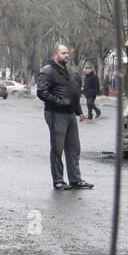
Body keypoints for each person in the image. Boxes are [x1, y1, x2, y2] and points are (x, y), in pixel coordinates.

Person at [36, 44, 93, 191]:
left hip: (69, 114)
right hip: (55, 113)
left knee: (74, 148)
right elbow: (42, 92)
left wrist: (79, 111)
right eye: (63, 53)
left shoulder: (69, 71)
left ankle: (75, 179)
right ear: (55, 55)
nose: (66, 55)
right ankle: (58, 180)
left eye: (67, 53)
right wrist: (59, 102)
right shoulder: (47, 71)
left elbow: (74, 94)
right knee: (58, 148)